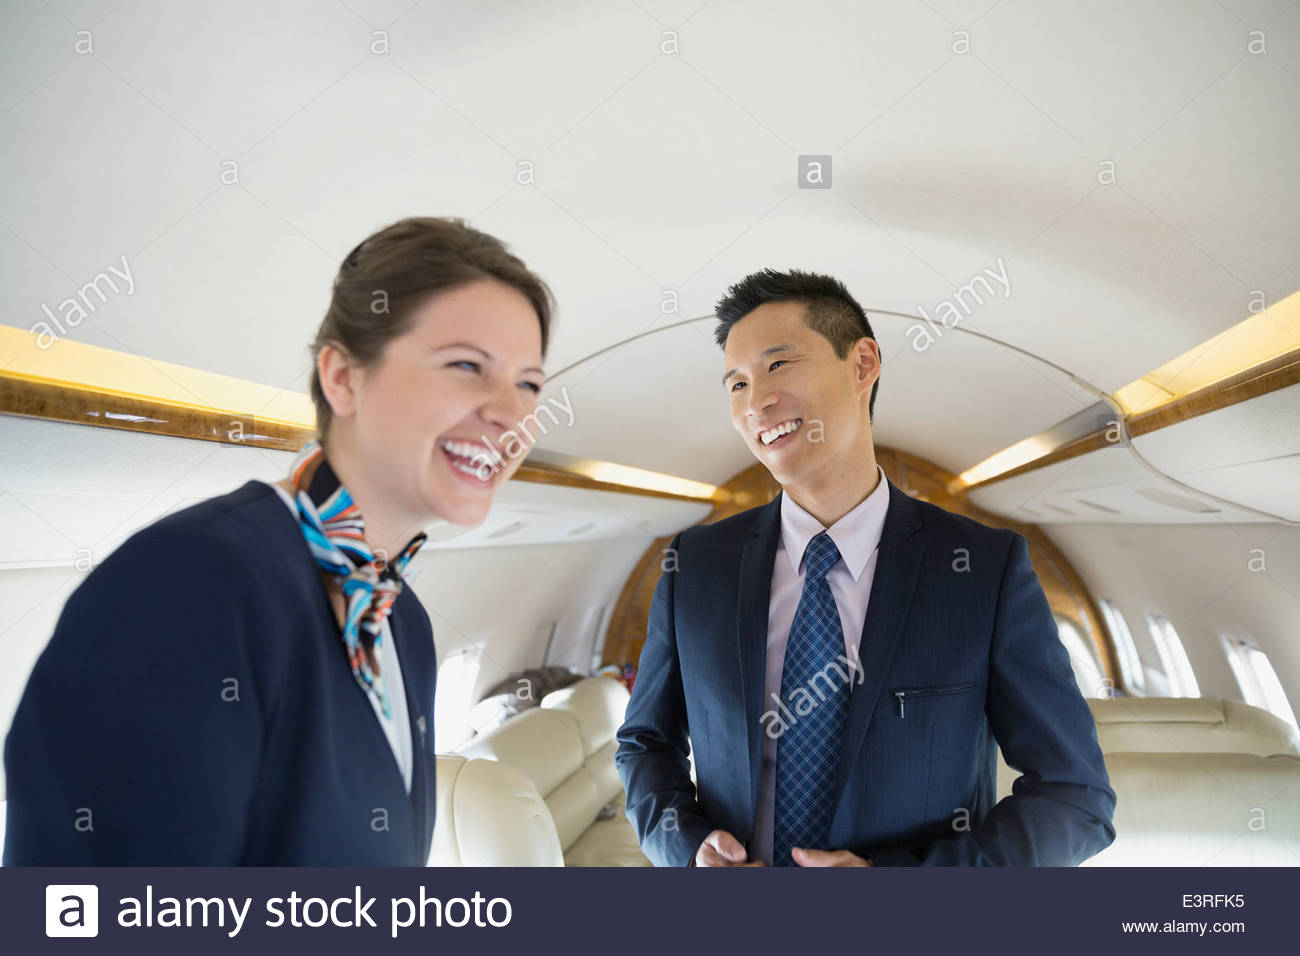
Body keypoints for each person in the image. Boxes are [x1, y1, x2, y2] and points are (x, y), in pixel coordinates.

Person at [3, 216, 552, 865]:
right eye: (466, 365)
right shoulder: (189, 584)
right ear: (342, 378)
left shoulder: (406, 624)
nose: (511, 414)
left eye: (530, 384)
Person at [616, 268, 1115, 867]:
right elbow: (645, 744)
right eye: (736, 384)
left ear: (862, 365)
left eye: (778, 366)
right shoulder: (693, 568)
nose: (757, 402)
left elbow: (1076, 799)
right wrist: (686, 845)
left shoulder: (983, 570)